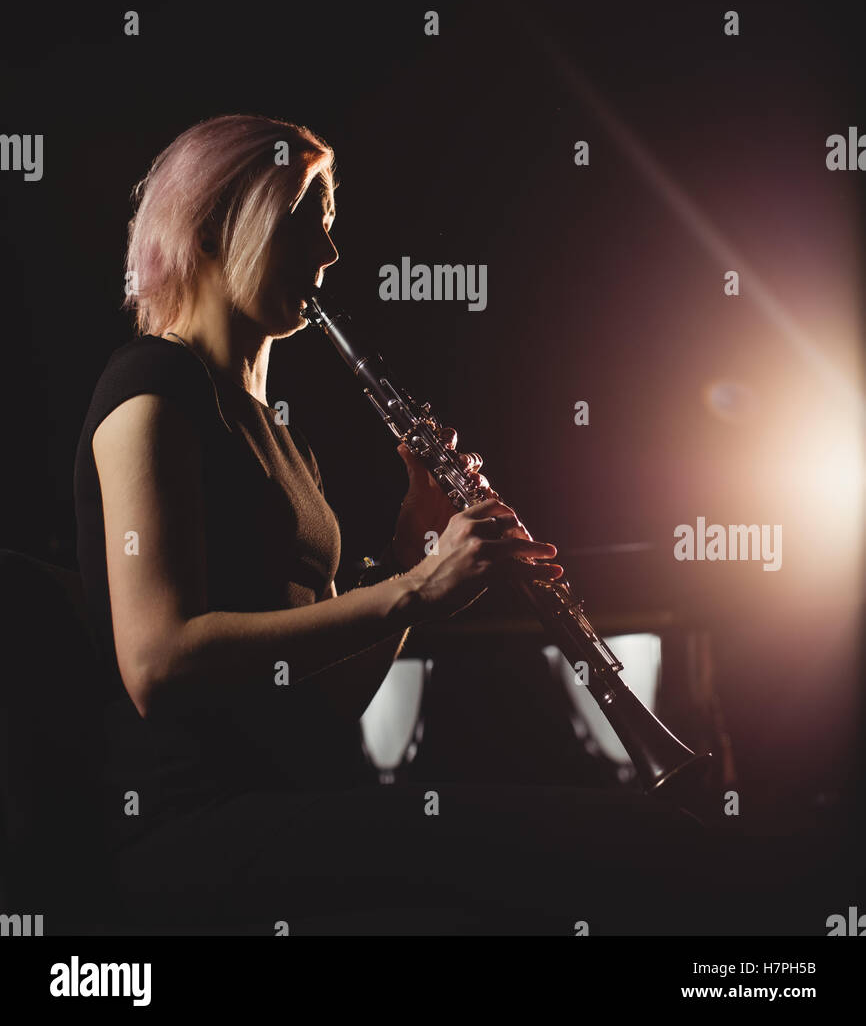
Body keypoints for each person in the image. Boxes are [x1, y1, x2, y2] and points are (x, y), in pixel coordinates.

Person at [74, 113, 706, 935]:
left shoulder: (286, 441)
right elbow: (156, 662)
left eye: (328, 228)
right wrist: (411, 591)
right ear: (212, 224)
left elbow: (332, 699)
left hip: (298, 803)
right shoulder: (150, 388)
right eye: (304, 220)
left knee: (659, 842)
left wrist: (414, 545)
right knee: (638, 850)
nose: (329, 255)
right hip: (194, 831)